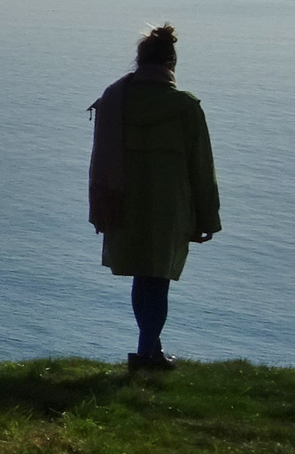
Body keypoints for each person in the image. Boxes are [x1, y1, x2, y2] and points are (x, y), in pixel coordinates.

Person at [87, 24, 221, 371]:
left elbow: (99, 158)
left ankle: (149, 349)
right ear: (171, 65)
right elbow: (201, 169)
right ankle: (146, 354)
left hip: (124, 202)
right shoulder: (185, 107)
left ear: (140, 61)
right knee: (157, 280)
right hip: (170, 209)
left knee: (140, 277)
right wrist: (208, 219)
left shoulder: (114, 101)